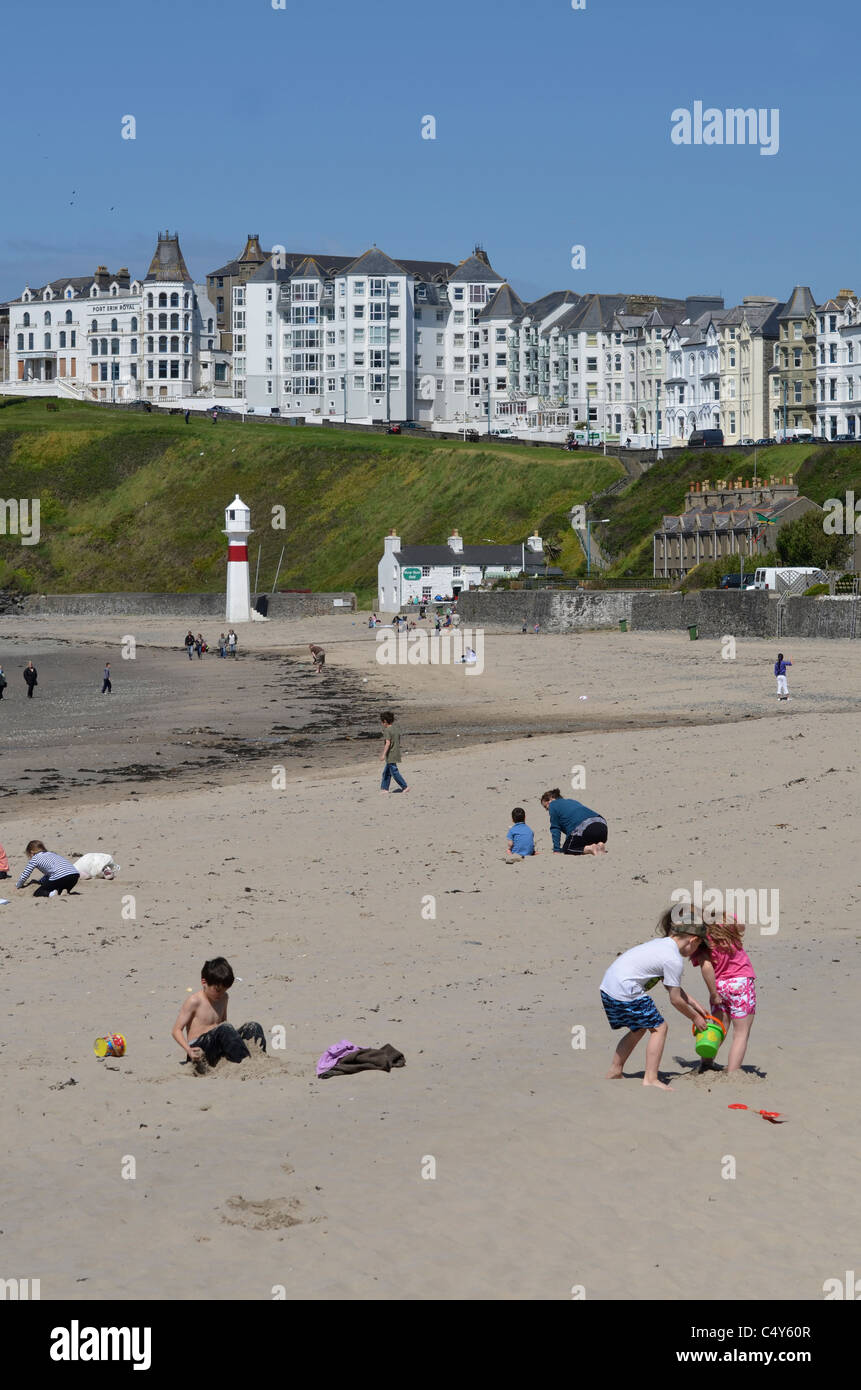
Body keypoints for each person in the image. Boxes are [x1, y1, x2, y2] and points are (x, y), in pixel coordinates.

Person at [600, 910, 711, 1088]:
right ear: (693, 940)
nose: (695, 952)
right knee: (660, 1028)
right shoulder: (673, 959)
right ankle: (651, 1079)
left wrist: (694, 1004)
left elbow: (671, 987)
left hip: (608, 987)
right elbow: (674, 999)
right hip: (626, 990)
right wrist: (695, 1017)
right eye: (698, 946)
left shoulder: (661, 944)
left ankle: (615, 1070)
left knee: (639, 1028)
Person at [171, 956, 266, 1068]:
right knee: (225, 1029)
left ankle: (259, 1059)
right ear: (204, 982)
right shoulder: (194, 1001)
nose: (221, 994)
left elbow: (223, 1022)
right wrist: (188, 1050)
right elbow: (176, 1030)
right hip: (200, 1048)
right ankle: (246, 1064)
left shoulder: (224, 997)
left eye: (225, 990)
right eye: (217, 990)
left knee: (253, 1027)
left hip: (218, 1044)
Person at [691, 915, 756, 1073]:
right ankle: (733, 1071)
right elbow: (741, 926)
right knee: (741, 1032)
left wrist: (713, 993)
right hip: (741, 984)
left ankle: (706, 1062)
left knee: (719, 1027)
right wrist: (726, 915)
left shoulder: (702, 943)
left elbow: (706, 968)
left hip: (719, 986)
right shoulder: (728, 930)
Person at [540, 788, 608, 855]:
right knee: (579, 841)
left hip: (585, 826)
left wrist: (556, 850)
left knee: (567, 848)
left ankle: (590, 848)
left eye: (546, 806)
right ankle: (599, 844)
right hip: (602, 826)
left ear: (551, 799)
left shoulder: (553, 804)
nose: (547, 810)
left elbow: (555, 828)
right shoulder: (572, 801)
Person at [379, 710, 408, 793]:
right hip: (396, 752)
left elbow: (387, 743)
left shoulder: (387, 731)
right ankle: (384, 788)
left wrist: (383, 755)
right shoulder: (396, 729)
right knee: (386, 772)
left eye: (382, 722)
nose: (382, 724)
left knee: (394, 772)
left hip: (391, 754)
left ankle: (404, 786)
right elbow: (397, 740)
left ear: (385, 721)